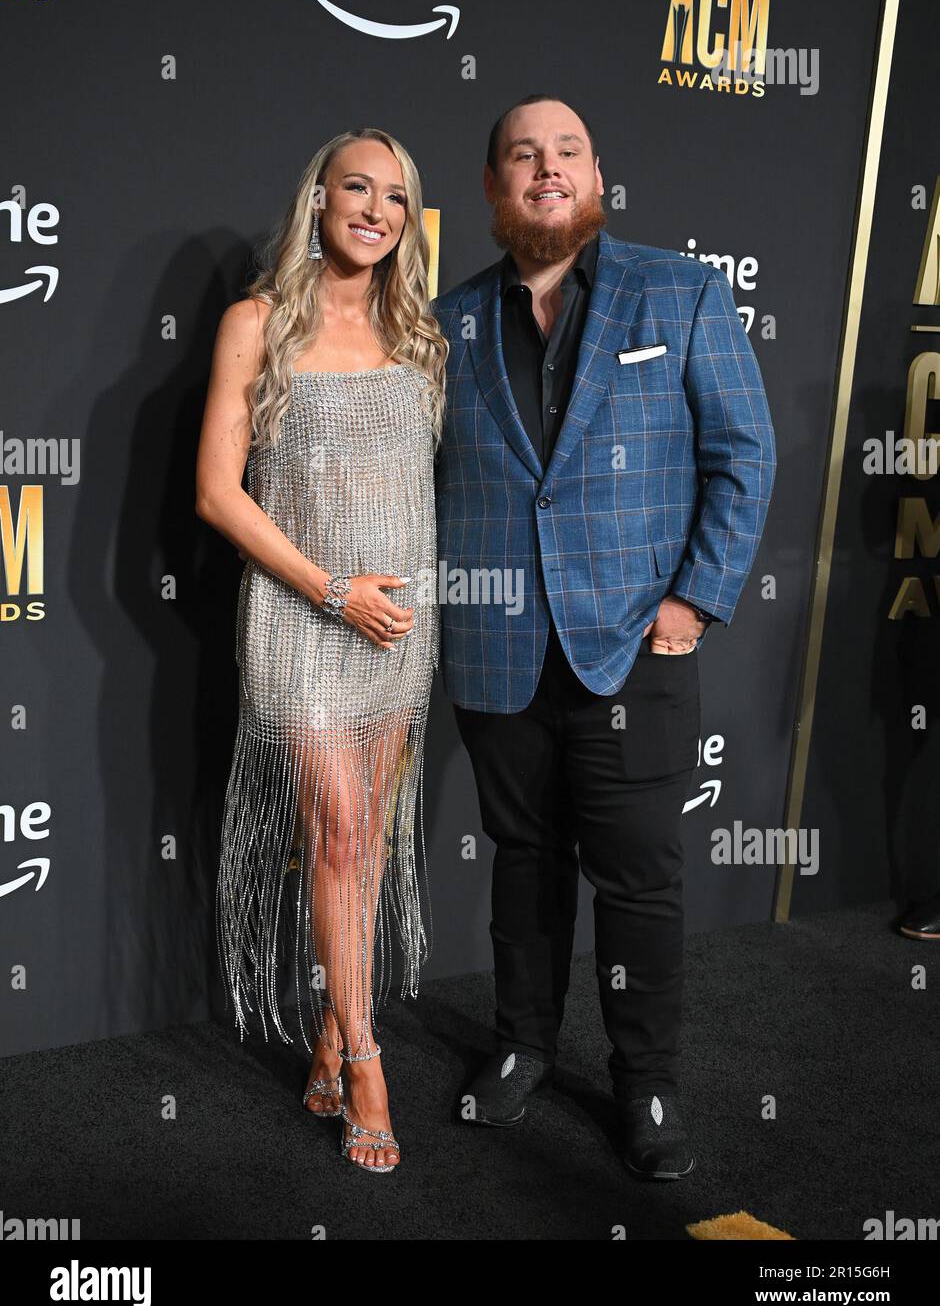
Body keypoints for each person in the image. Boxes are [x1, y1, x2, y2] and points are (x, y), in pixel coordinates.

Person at [432, 94, 776, 1178]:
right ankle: (522, 1045)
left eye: (567, 151)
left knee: (637, 881)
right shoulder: (447, 323)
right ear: (491, 189)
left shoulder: (678, 291)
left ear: (596, 175)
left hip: (635, 647)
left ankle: (646, 1085)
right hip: (496, 652)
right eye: (522, 155)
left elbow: (744, 454)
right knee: (524, 866)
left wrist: (694, 599)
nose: (546, 168)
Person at [195, 128, 447, 1172]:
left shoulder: (419, 332)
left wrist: (379, 600)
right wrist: (329, 587)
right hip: (302, 618)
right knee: (336, 830)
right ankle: (370, 1060)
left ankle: (335, 1034)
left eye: (395, 197)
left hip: (395, 627)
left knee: (365, 844)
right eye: (358, 187)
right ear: (318, 199)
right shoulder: (256, 322)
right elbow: (217, 493)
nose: (377, 211)